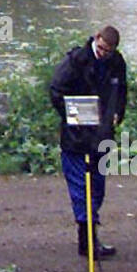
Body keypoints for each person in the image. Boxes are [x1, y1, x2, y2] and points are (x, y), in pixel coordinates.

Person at [49, 25, 128, 259]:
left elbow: (122, 90)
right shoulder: (75, 61)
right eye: (102, 49)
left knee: (97, 188)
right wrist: (72, 116)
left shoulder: (117, 63)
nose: (104, 54)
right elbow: (55, 90)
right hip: (75, 138)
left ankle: (91, 237)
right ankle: (87, 242)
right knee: (80, 190)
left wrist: (118, 113)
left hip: (102, 136)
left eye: (109, 51)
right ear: (96, 39)